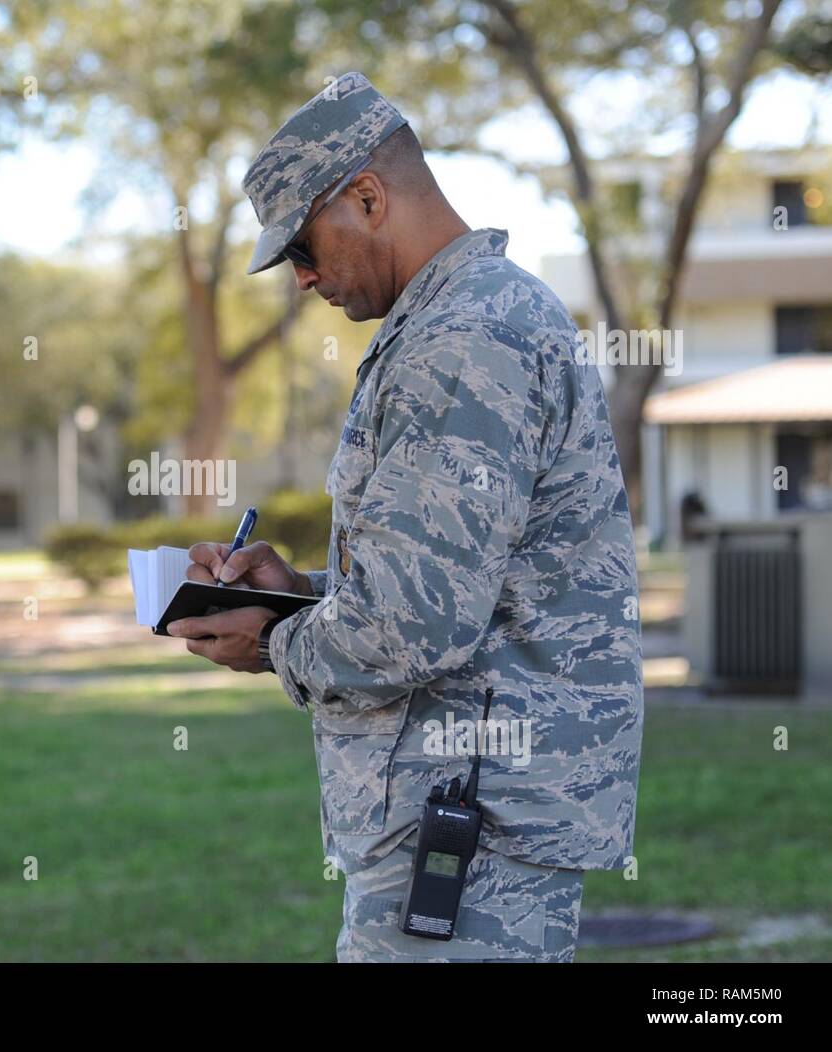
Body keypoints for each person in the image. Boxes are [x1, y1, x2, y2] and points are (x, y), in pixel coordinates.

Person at [166, 73, 644, 962]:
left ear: (369, 196)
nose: (303, 278)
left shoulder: (462, 339)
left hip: (468, 834)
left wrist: (273, 642)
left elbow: (411, 627)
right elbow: (457, 585)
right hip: (467, 823)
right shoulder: (477, 317)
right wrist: (300, 594)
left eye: (303, 247)